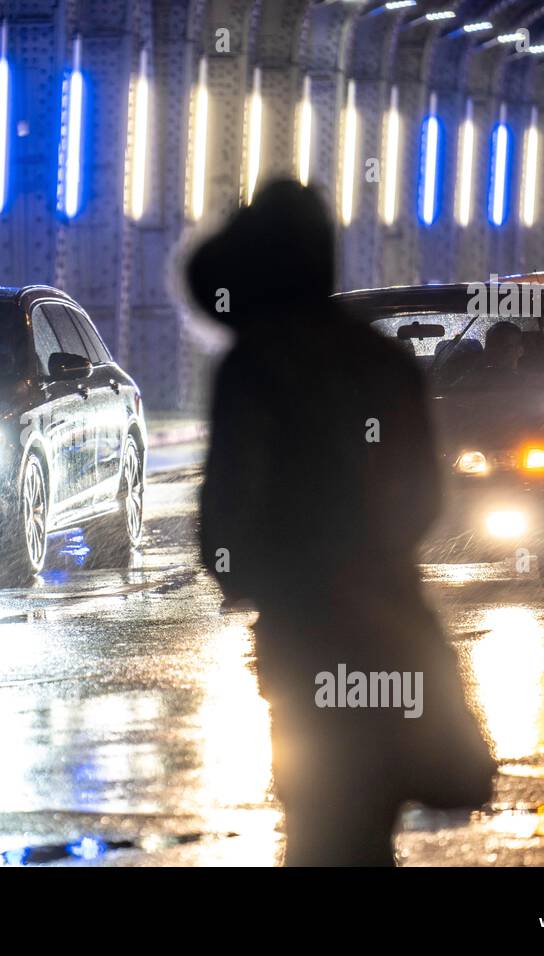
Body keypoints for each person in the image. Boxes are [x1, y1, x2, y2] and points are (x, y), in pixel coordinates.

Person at [185, 179, 495, 866]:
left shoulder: (254, 365)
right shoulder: (381, 361)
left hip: (302, 635)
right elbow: (424, 497)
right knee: (371, 817)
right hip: (387, 626)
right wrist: (373, 557)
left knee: (320, 818)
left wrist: (256, 577)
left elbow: (227, 509)